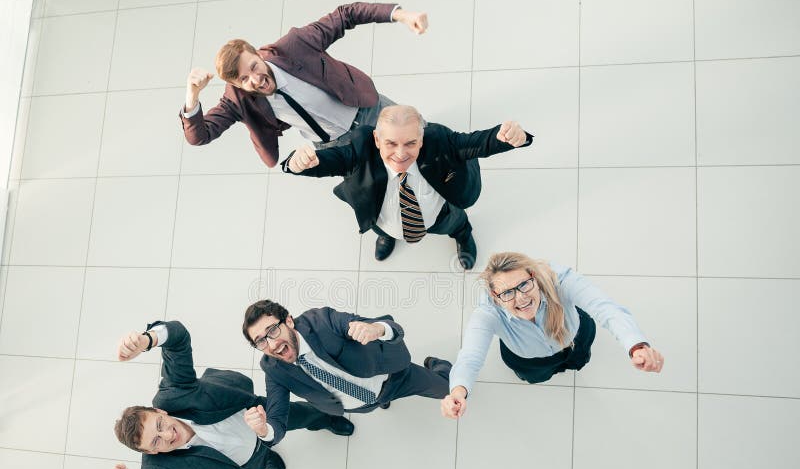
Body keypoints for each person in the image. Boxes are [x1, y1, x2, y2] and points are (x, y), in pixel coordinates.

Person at [106, 320, 353, 469]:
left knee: (301, 414)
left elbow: (179, 337)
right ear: (152, 453)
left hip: (251, 411)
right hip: (238, 465)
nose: (168, 435)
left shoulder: (173, 394)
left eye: (160, 426)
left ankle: (326, 419)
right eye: (156, 442)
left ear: (160, 412)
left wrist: (146, 340)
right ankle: (265, 458)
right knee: (256, 462)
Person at [281, 105, 533, 269]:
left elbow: (479, 142)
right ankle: (387, 236)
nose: (400, 155)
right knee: (385, 228)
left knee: (455, 224)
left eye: (410, 143)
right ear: (377, 139)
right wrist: (296, 162)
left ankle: (463, 237)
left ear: (421, 138)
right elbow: (327, 161)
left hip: (439, 214)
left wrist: (512, 138)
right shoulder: (360, 149)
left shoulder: (438, 140)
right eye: (390, 144)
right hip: (382, 216)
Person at [180, 2, 428, 167]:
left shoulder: (294, 45)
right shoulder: (236, 101)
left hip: (367, 108)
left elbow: (346, 15)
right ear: (235, 83)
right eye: (244, 79)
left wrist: (401, 15)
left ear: (257, 53)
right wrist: (192, 96)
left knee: (422, 139)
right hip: (335, 144)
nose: (256, 80)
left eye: (254, 67)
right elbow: (199, 137)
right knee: (375, 182)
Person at [440, 252, 665, 418]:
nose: (520, 299)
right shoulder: (487, 313)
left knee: (579, 361)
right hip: (529, 361)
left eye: (524, 285)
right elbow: (470, 357)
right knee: (538, 376)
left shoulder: (560, 279)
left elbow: (605, 308)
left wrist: (636, 346)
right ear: (494, 295)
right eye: (507, 293)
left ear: (533, 276)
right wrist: (458, 392)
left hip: (576, 339)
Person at [242, 300, 452, 439]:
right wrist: (264, 430)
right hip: (359, 404)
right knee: (376, 402)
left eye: (272, 330)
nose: (271, 344)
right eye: (260, 341)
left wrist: (376, 329)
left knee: (447, 389)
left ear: (289, 321)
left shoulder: (321, 321)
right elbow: (277, 418)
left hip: (394, 376)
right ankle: (382, 400)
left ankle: (435, 365)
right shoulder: (272, 368)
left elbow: (387, 326)